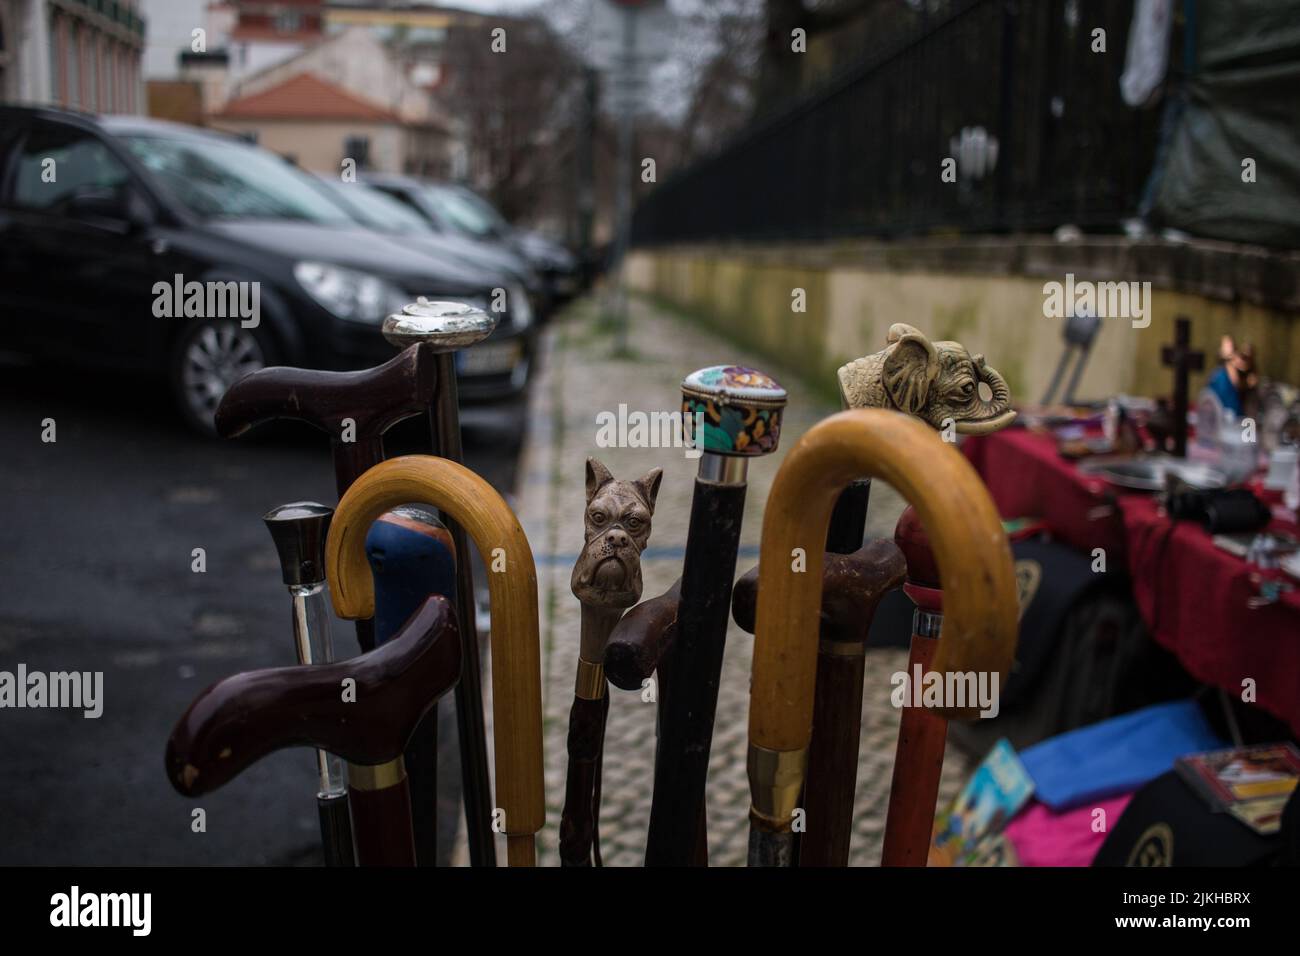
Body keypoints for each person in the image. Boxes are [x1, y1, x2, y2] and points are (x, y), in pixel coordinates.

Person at [1207, 335, 1258, 417]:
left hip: (1236, 415)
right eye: (1227, 345)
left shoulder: (1242, 372)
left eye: (1231, 346)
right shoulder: (1218, 375)